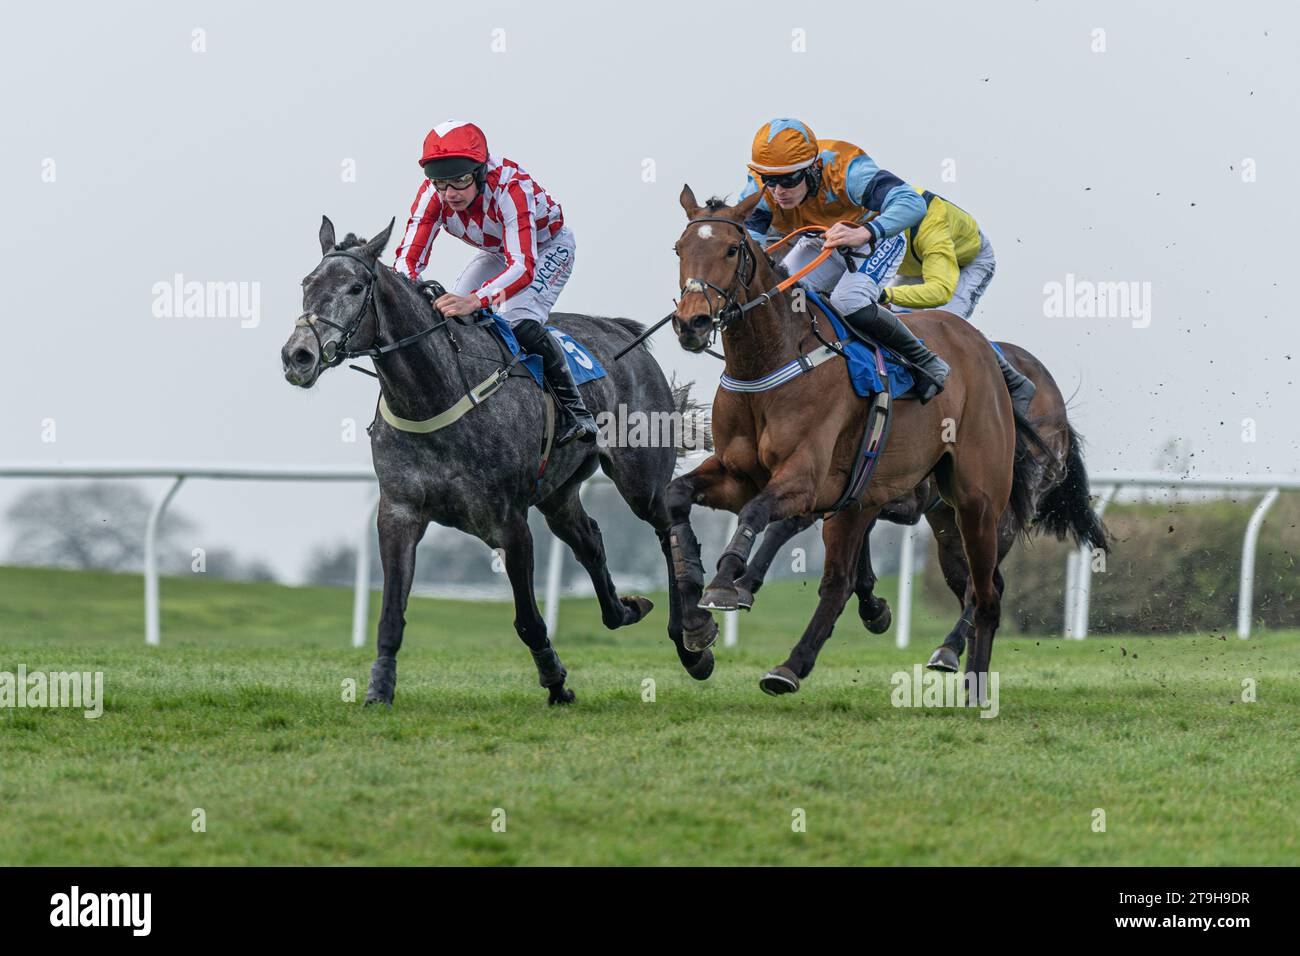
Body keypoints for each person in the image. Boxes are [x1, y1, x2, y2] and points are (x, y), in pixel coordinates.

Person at [392, 120, 596, 445]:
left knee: (516, 319)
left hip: (545, 248)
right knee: (448, 319)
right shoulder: (432, 196)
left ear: (480, 171)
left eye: (459, 181)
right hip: (498, 250)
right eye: (440, 183)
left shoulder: (511, 188)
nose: (450, 194)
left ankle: (576, 413)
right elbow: (407, 262)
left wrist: (475, 300)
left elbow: (523, 267)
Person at [739, 118, 949, 400]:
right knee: (779, 295)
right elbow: (750, 249)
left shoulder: (847, 171)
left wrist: (865, 232)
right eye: (771, 181)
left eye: (788, 180)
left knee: (848, 302)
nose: (778, 192)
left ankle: (925, 360)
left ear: (813, 169)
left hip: (876, 240)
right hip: (822, 242)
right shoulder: (760, 190)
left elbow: (912, 203)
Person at [883, 188, 1036, 414]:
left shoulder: (932, 227)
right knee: (889, 319)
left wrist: (887, 295)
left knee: (946, 324)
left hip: (965, 264)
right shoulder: (859, 206)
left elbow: (940, 290)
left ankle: (1015, 381)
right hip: (922, 261)